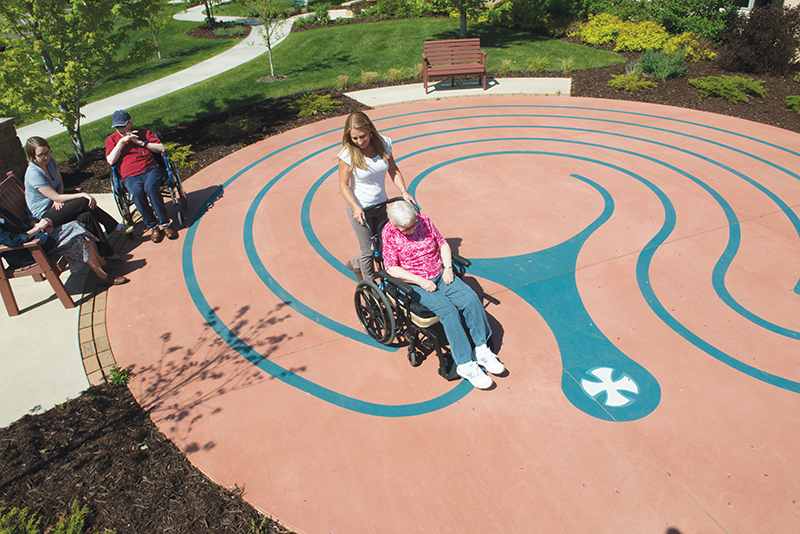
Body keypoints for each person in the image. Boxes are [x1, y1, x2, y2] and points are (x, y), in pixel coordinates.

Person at [381, 200, 504, 389]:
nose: (413, 229)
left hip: (440, 274)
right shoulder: (389, 233)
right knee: (449, 312)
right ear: (395, 224)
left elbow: (443, 244)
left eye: (414, 224)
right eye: (407, 228)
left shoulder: (424, 221)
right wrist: (420, 281)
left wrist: (448, 268)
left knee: (470, 298)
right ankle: (465, 364)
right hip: (416, 283)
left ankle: (481, 349)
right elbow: (391, 269)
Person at [23, 137, 131, 260]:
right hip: (43, 216)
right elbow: (56, 196)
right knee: (84, 201)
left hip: (55, 205)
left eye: (47, 152)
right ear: (32, 156)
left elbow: (60, 184)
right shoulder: (33, 173)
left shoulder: (50, 162)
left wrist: (57, 199)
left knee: (87, 216)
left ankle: (106, 252)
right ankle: (114, 226)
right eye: (41, 155)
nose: (46, 156)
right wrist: (81, 194)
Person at [338, 111, 414, 282]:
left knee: (385, 245)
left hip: (380, 205)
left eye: (362, 136)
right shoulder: (347, 154)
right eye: (355, 139)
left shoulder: (384, 144)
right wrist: (355, 208)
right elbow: (344, 185)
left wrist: (404, 192)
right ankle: (370, 287)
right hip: (360, 210)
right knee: (368, 251)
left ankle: (356, 264)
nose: (359, 142)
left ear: (370, 130)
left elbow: (393, 169)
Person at [0, 189, 128, 286]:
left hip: (36, 238)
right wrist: (37, 229)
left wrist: (37, 224)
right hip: (29, 250)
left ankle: (102, 264)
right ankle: (102, 276)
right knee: (76, 237)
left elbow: (20, 222)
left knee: (76, 227)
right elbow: (13, 241)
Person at [105, 110, 177, 243]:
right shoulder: (112, 140)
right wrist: (121, 142)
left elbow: (161, 148)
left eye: (123, 125)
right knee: (137, 192)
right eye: (117, 127)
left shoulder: (144, 133)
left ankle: (165, 223)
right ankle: (153, 226)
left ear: (130, 124)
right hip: (129, 176)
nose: (120, 129)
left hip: (150, 169)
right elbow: (110, 160)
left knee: (151, 188)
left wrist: (140, 143)